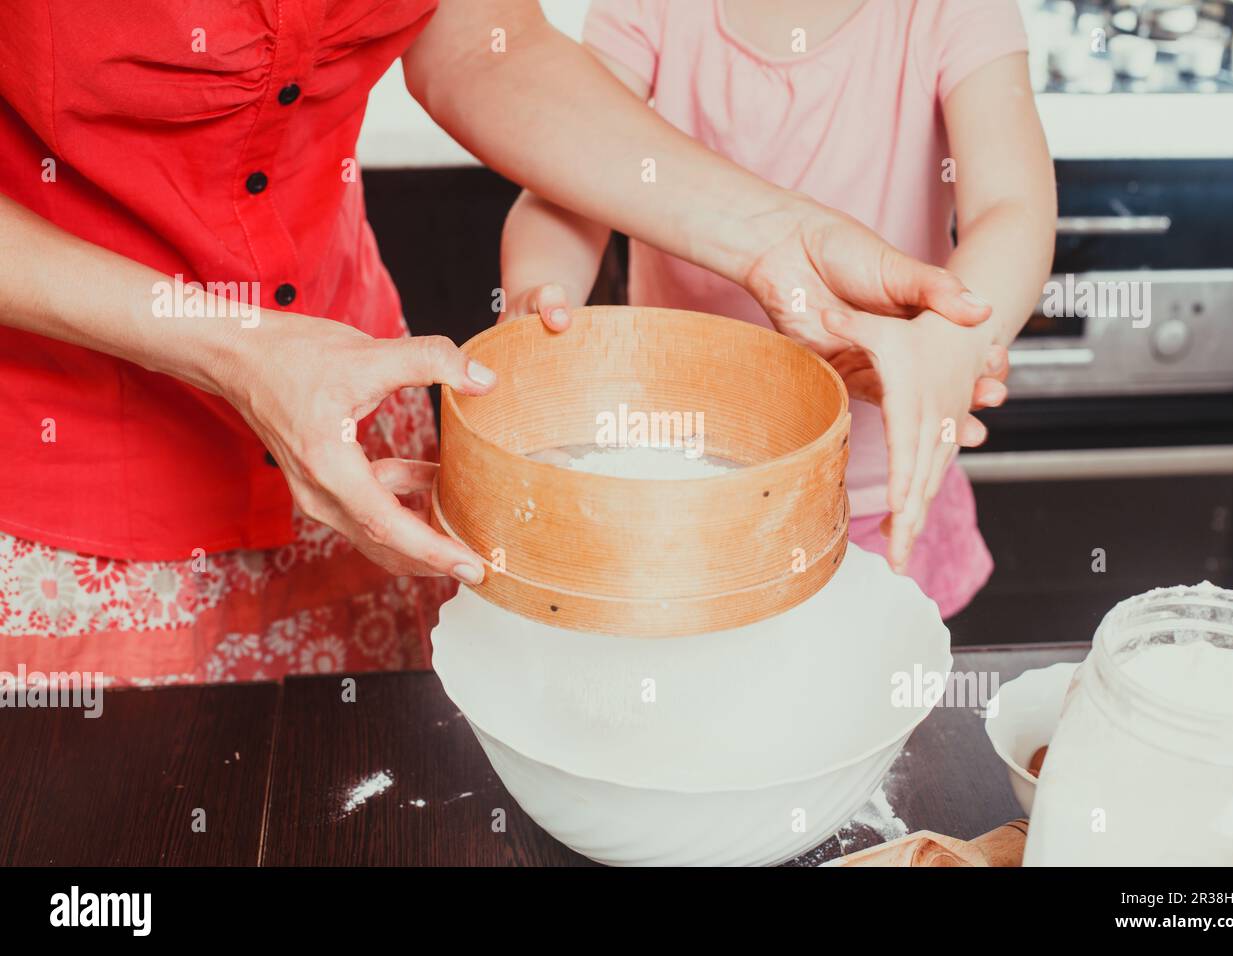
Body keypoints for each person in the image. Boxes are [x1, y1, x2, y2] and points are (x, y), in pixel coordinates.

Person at [0, 0, 991, 684]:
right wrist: (230, 348)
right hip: (65, 485)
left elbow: (480, 43)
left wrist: (773, 236)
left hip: (354, 423)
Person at [500, 0, 1057, 617]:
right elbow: (570, 176)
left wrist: (954, 338)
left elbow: (1013, 207)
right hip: (677, 483)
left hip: (870, 495)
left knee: (861, 698)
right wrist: (538, 288)